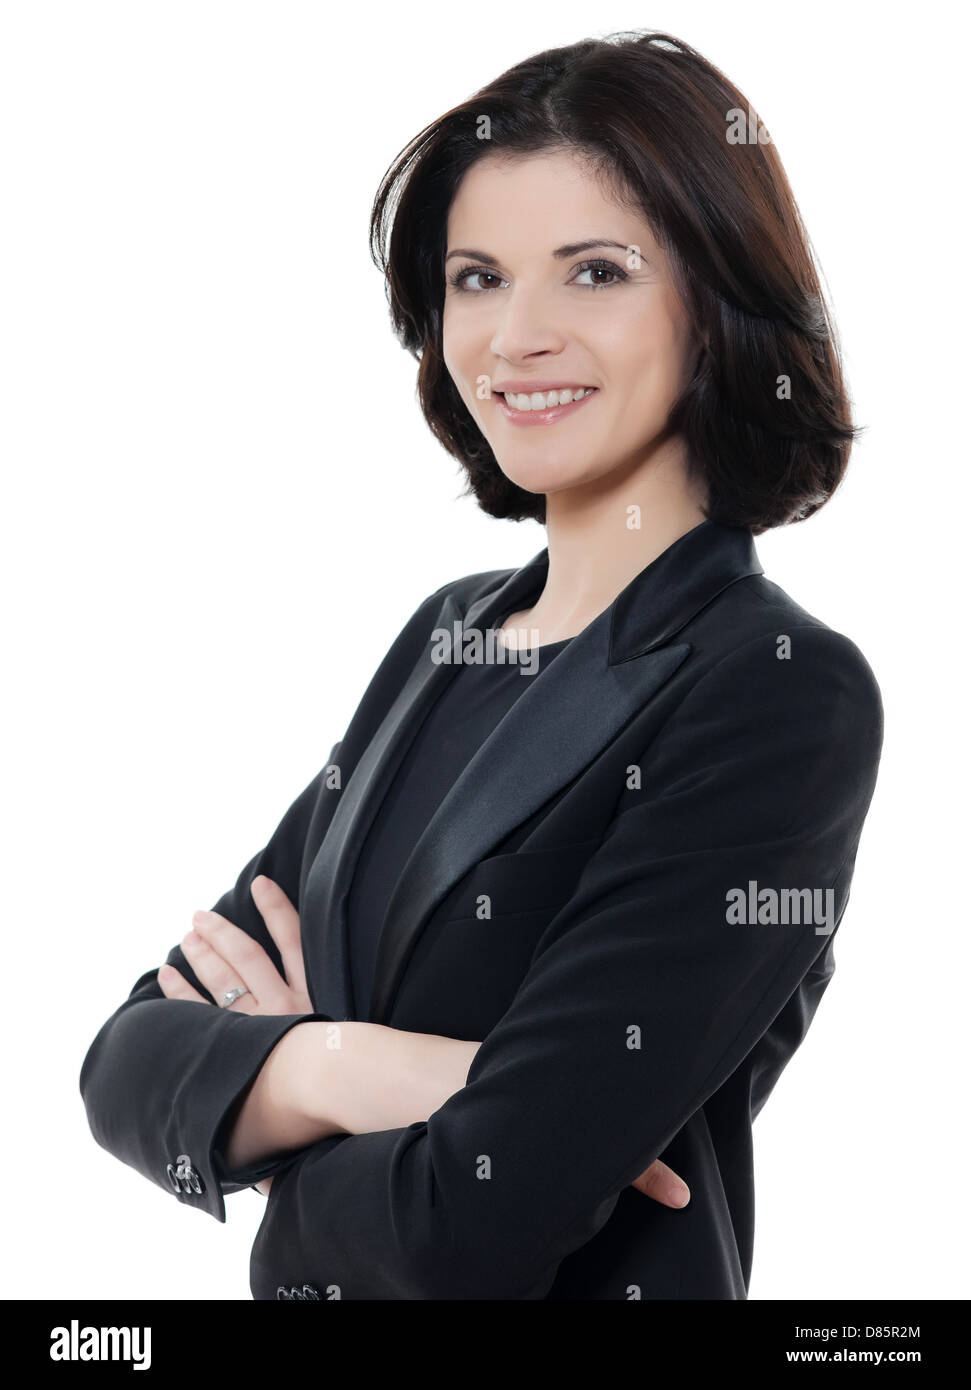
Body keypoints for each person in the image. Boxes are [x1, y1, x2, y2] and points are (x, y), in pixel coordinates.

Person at [79, 30, 883, 1300]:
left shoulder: (774, 687)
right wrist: (361, 1067)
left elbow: (472, 1224)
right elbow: (123, 1065)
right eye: (476, 277)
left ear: (717, 304)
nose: (516, 335)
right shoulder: (447, 638)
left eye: (595, 272)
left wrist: (277, 1106)